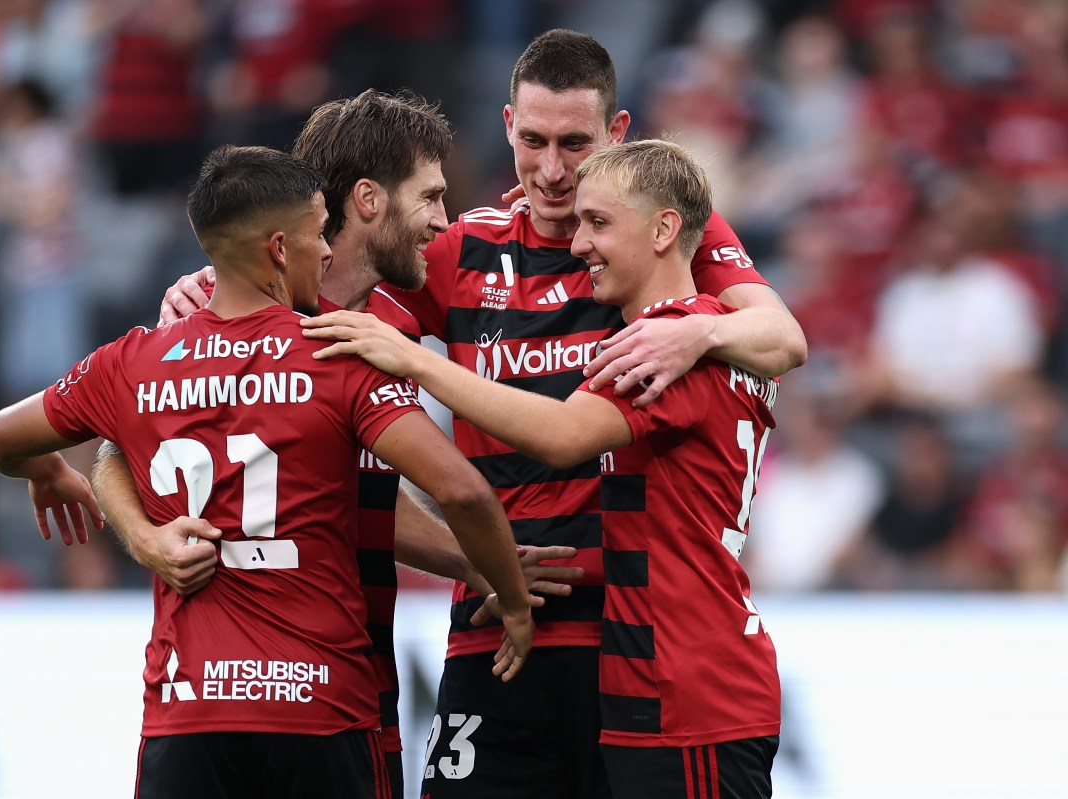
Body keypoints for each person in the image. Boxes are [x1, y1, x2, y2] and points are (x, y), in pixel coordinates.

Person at [160, 29, 805, 798]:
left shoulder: (659, 232)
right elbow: (314, 342)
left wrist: (702, 329)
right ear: (507, 127)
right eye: (534, 141)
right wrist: (222, 287)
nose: (554, 170)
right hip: (495, 630)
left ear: (617, 134)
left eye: (576, 143)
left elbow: (784, 336)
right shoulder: (460, 250)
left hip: (631, 638)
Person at [0, 144, 534, 799]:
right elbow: (462, 488)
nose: (326, 252)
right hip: (318, 705)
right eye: (313, 234)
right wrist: (514, 598)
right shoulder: (339, 356)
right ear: (278, 248)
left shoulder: (131, 360)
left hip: (189, 709)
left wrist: (45, 471)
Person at [302, 138, 782, 799]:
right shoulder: (711, 331)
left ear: (666, 230)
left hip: (688, 685)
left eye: (599, 222)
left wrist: (415, 360)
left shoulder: (669, 342)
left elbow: (561, 435)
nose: (576, 242)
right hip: (661, 674)